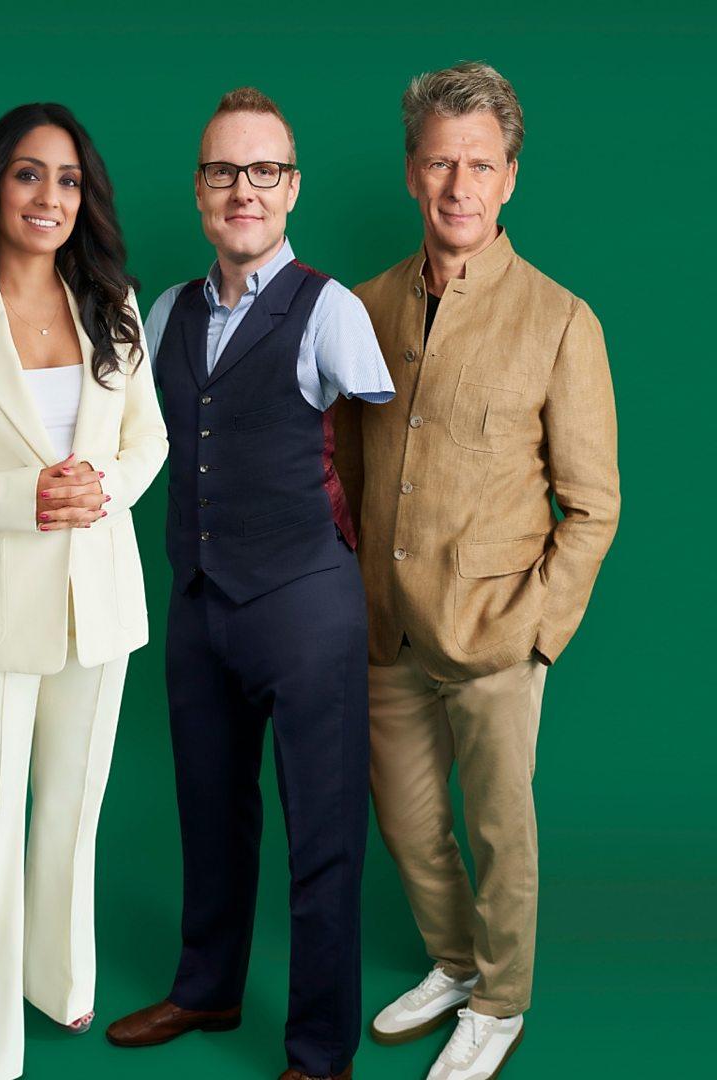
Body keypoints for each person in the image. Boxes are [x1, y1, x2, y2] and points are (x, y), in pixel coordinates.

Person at [102, 87, 394, 1080]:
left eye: (263, 170)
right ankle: (207, 988)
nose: (243, 190)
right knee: (206, 810)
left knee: (322, 838)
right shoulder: (169, 309)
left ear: (291, 187)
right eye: (224, 171)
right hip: (198, 601)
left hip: (308, 604)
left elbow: (387, 457)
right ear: (198, 190)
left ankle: (319, 1053)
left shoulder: (334, 310)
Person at [340, 62, 618, 1080]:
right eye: (441, 162)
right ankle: (456, 964)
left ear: (510, 180)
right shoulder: (363, 306)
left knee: (501, 831)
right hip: (387, 630)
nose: (460, 184)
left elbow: (594, 506)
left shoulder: (560, 320)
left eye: (482, 164)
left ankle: (501, 1002)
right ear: (413, 173)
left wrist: (538, 631)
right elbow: (348, 464)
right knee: (411, 828)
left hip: (499, 634)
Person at [0, 103, 167, 1080]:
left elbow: (148, 443)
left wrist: (104, 492)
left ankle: (59, 981)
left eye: (68, 180)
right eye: (28, 175)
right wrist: (22, 499)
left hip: (103, 602)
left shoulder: (113, 301)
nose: (48, 196)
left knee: (72, 812)